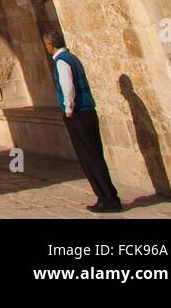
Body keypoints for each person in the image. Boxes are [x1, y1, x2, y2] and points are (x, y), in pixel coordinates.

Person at [44, 29, 122, 213]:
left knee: (88, 158)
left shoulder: (61, 62)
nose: (46, 48)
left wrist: (68, 109)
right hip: (89, 112)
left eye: (46, 45)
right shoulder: (73, 58)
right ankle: (109, 195)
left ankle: (106, 199)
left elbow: (68, 87)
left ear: (51, 45)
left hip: (78, 114)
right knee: (95, 155)